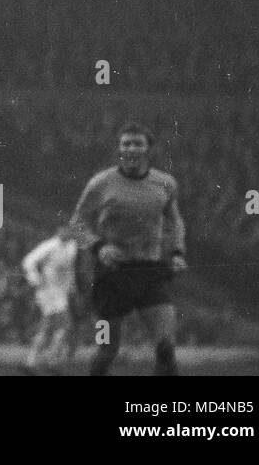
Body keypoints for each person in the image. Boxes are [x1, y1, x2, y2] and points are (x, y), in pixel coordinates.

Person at [69, 122, 186, 376]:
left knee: (166, 348)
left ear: (149, 150)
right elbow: (77, 223)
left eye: (137, 143)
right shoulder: (101, 183)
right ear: (119, 149)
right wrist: (99, 247)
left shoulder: (165, 183)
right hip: (112, 274)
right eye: (126, 144)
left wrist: (177, 252)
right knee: (107, 350)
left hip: (150, 271)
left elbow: (174, 220)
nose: (131, 148)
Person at [20, 225, 78, 375]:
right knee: (64, 324)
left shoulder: (72, 246)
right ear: (59, 230)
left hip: (61, 292)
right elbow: (28, 261)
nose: (69, 232)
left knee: (48, 327)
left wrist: (71, 287)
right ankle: (51, 361)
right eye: (65, 229)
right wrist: (36, 279)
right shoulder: (49, 245)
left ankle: (32, 362)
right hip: (47, 291)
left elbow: (70, 270)